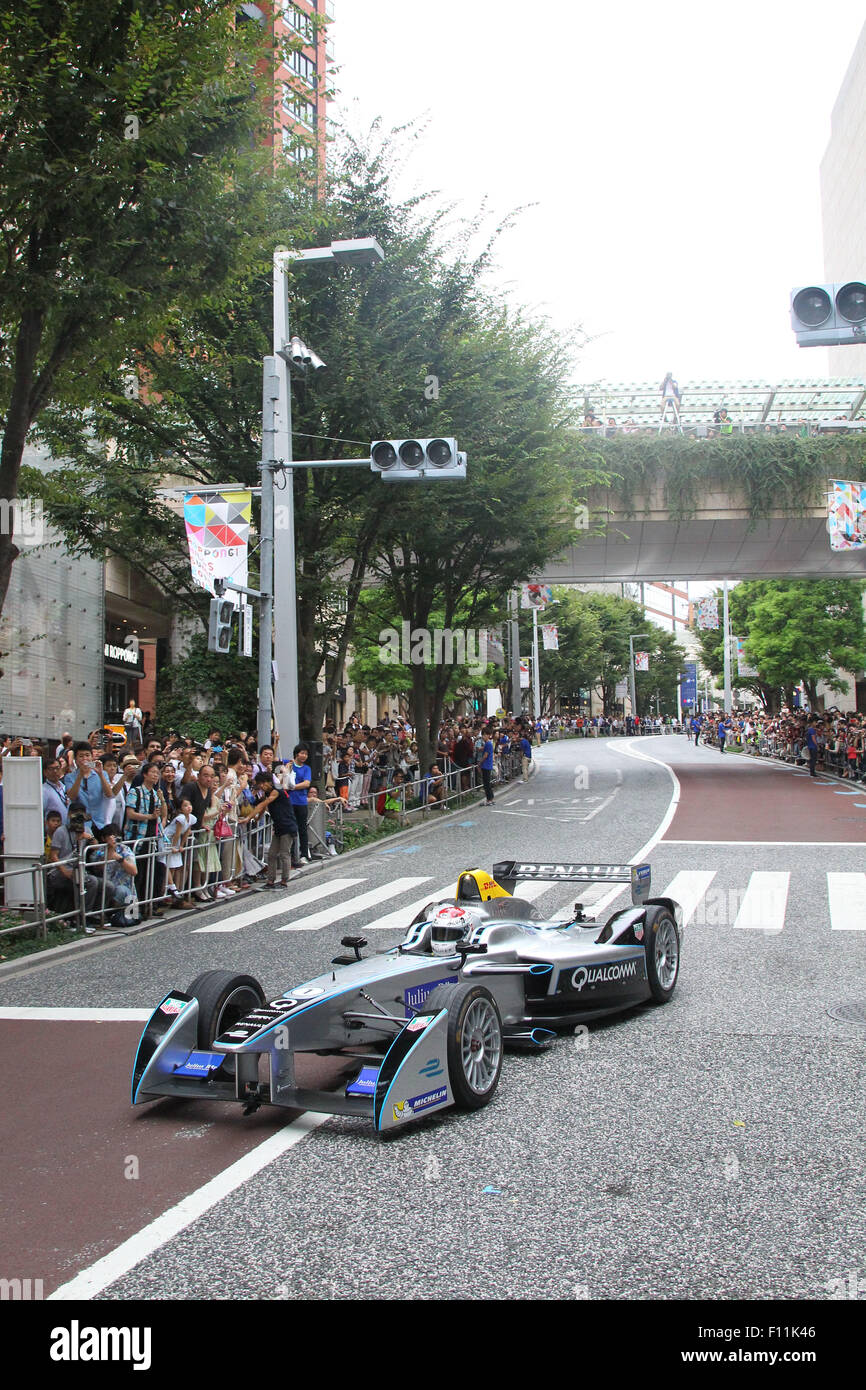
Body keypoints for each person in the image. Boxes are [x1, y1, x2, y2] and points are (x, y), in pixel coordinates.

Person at [253, 771, 298, 889]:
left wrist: (248, 818)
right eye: (259, 784)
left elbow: (262, 805)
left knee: (284, 854)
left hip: (287, 826)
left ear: (269, 782)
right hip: (278, 827)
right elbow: (264, 806)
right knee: (272, 854)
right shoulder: (268, 793)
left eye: (263, 783)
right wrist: (257, 818)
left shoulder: (276, 791)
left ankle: (284, 880)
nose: (261, 786)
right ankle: (270, 881)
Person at [287, 744, 312, 863]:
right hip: (289, 801)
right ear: (296, 753)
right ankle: (291, 855)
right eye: (302, 753)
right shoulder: (289, 763)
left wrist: (292, 787)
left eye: (306, 754)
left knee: (302, 828)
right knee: (291, 829)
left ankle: (304, 854)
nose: (304, 756)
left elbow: (307, 783)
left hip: (301, 801)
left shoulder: (306, 768)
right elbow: (276, 762)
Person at [478, 726, 495, 805]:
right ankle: (491, 798)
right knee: (487, 783)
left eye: (485, 735)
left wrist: (480, 763)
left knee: (486, 783)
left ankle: (489, 799)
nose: (483, 736)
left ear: (489, 735)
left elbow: (485, 755)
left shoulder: (488, 744)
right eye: (483, 735)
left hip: (486, 765)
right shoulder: (488, 744)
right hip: (488, 765)